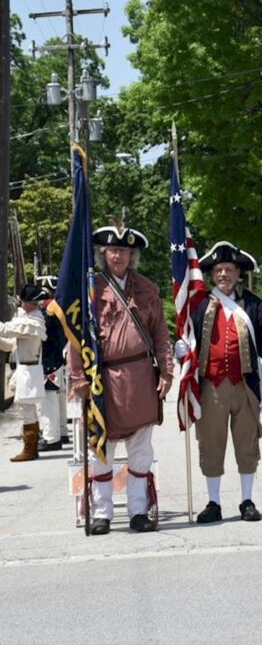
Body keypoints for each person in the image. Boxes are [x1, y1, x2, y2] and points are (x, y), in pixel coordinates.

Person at [69, 226, 174, 535]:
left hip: (140, 376)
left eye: (125, 251)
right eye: (113, 251)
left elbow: (160, 334)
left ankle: (138, 512)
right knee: (101, 449)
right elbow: (76, 338)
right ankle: (102, 513)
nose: (119, 256)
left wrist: (167, 370)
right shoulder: (89, 289)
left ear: (132, 255)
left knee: (141, 448)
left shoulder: (146, 288)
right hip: (102, 380)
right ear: (103, 254)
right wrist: (78, 378)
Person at [182, 242, 262, 523]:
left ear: (238, 273)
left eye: (229, 270)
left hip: (245, 385)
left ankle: (247, 500)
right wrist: (181, 349)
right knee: (211, 444)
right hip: (211, 385)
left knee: (247, 444)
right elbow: (186, 336)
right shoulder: (198, 304)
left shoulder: (254, 305)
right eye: (219, 270)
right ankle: (214, 502)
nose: (223, 274)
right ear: (212, 274)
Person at [2, 284, 53, 462]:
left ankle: (29, 450)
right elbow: (11, 345)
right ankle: (31, 448)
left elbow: (5, 329)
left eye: (23, 301)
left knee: (28, 411)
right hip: (26, 370)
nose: (20, 304)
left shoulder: (31, 323)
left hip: (28, 372)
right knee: (28, 410)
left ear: (29, 303)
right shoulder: (31, 320)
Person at [38, 275, 69, 450]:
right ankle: (62, 432)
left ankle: (51, 438)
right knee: (59, 397)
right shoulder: (60, 307)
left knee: (49, 399)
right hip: (57, 358)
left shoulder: (49, 310)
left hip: (49, 360)